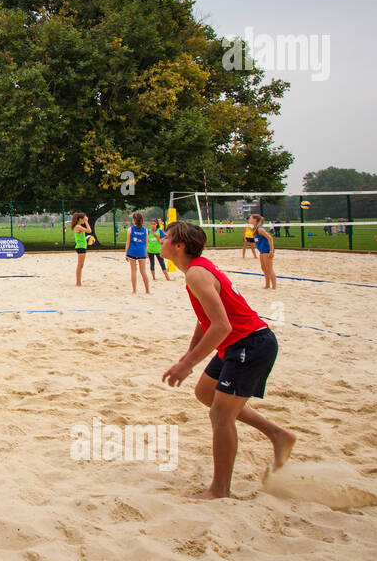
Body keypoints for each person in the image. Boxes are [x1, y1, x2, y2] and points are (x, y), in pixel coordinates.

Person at [160, 222, 295, 500]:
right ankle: (278, 435)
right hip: (239, 343)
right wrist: (188, 355)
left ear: (179, 246)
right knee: (205, 393)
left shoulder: (197, 273)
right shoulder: (196, 268)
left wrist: (188, 364)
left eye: (166, 237)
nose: (160, 240)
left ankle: (220, 489)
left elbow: (221, 326)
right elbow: (206, 318)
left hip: (250, 344)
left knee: (220, 415)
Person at [126, 212, 150, 294]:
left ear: (134, 220)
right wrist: (146, 252)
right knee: (143, 272)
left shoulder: (130, 229)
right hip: (141, 252)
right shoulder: (146, 230)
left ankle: (134, 290)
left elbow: (128, 243)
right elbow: (147, 243)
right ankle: (147, 290)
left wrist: (126, 253)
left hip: (132, 251)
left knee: (133, 271)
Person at [251, 214, 277, 289]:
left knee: (269, 268)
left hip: (267, 250)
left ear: (255, 220)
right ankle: (267, 285)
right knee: (263, 268)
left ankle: (274, 286)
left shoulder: (260, 229)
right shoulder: (255, 228)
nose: (249, 219)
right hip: (262, 250)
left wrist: (271, 251)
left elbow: (270, 238)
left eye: (250, 218)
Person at [71, 212, 92, 286]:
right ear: (80, 219)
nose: (85, 219)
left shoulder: (79, 226)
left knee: (81, 265)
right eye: (84, 218)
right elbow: (89, 231)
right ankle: (78, 282)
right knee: (80, 265)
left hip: (82, 246)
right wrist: (86, 222)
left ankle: (78, 282)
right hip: (80, 247)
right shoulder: (78, 227)